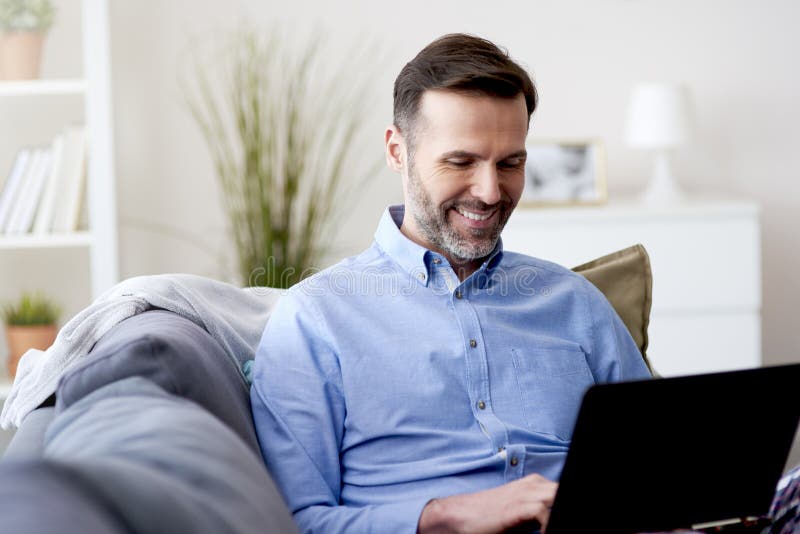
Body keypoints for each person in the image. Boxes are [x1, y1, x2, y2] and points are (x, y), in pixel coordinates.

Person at [250, 33, 651, 534]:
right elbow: (296, 522)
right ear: (397, 151)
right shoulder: (315, 318)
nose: (490, 192)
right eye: (461, 162)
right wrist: (445, 516)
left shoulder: (574, 301)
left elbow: (661, 468)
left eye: (511, 163)